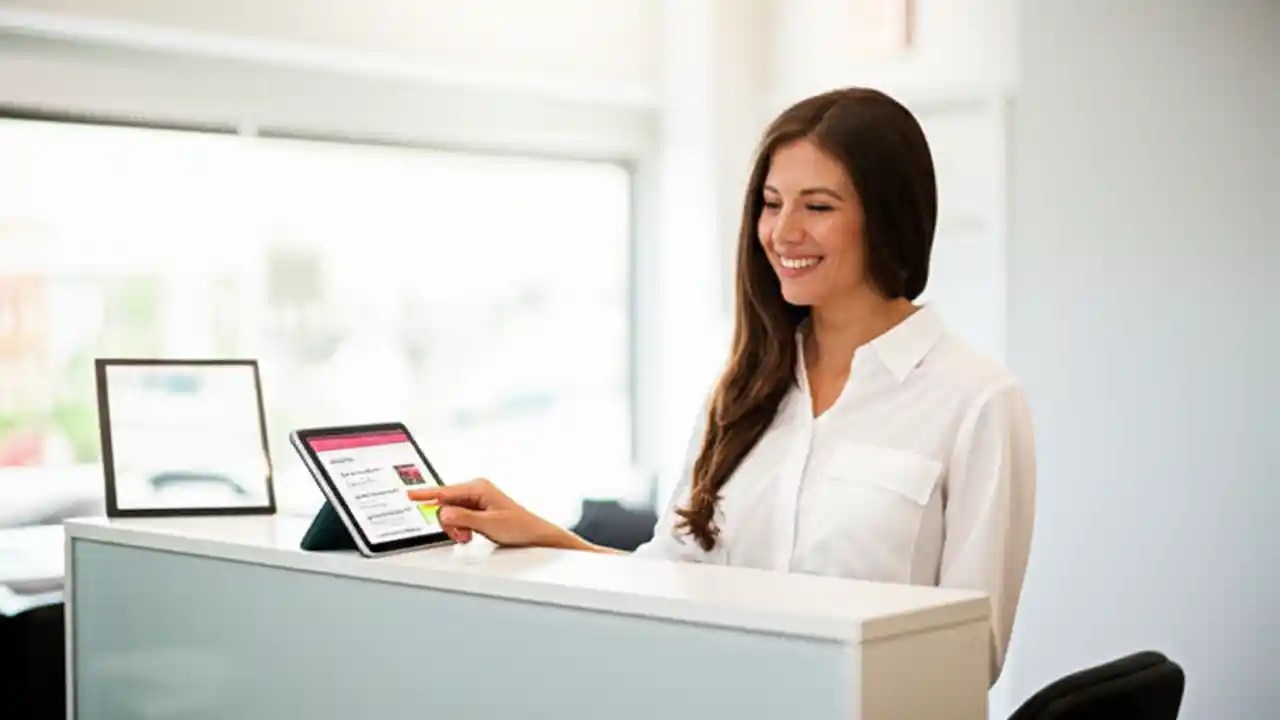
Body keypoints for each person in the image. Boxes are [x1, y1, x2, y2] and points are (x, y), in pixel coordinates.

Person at [409, 87, 1035, 682]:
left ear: (890, 218)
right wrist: (540, 533)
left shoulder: (975, 401)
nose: (783, 233)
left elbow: (968, 654)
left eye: (818, 206)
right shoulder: (743, 391)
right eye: (771, 202)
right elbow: (673, 582)